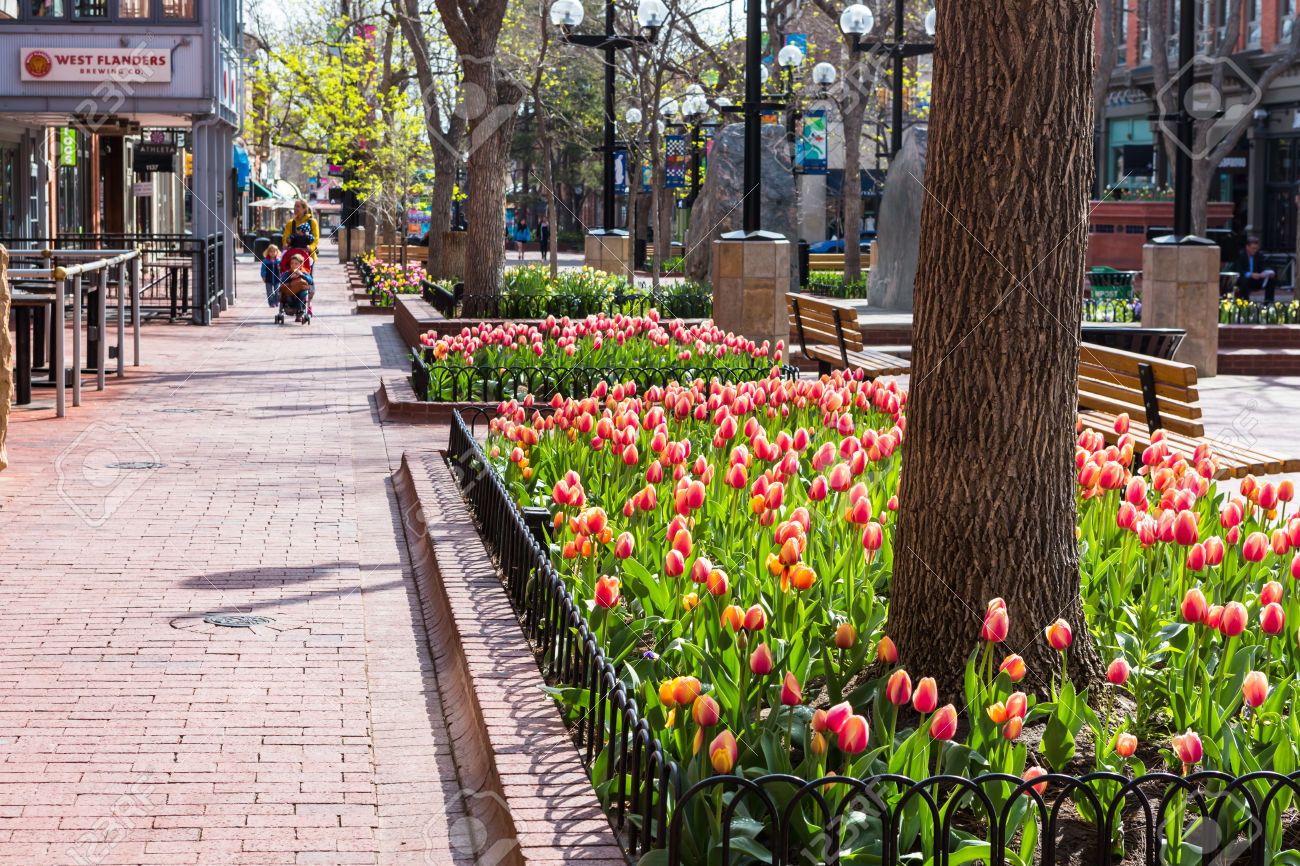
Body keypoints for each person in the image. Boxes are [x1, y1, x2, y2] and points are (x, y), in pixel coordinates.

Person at [1233, 236, 1276, 304]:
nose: (1255, 250)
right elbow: (1238, 269)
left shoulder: (1259, 255)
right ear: (1247, 247)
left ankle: (1268, 303)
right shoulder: (1240, 255)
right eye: (1253, 248)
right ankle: (1245, 302)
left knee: (1271, 280)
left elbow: (1263, 266)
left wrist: (1268, 272)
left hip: (1257, 279)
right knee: (1244, 280)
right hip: (1244, 279)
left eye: (1256, 248)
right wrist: (1250, 274)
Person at [281, 200, 320, 267]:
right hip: (293, 257)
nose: (295, 208)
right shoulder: (290, 223)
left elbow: (316, 238)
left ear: (305, 209)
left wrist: (311, 247)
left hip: (308, 256)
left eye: (298, 206)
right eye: (295, 206)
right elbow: (285, 236)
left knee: (307, 276)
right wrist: (286, 243)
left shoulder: (312, 222)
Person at [280, 252, 315, 322]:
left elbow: (310, 281)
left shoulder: (304, 272)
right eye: (292, 263)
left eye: (296, 264)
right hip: (290, 291)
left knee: (304, 293)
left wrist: (302, 275)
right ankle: (295, 309)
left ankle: (298, 310)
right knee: (288, 296)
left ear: (301, 265)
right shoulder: (288, 273)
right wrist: (290, 277)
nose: (293, 265)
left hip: (300, 292)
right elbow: (282, 281)